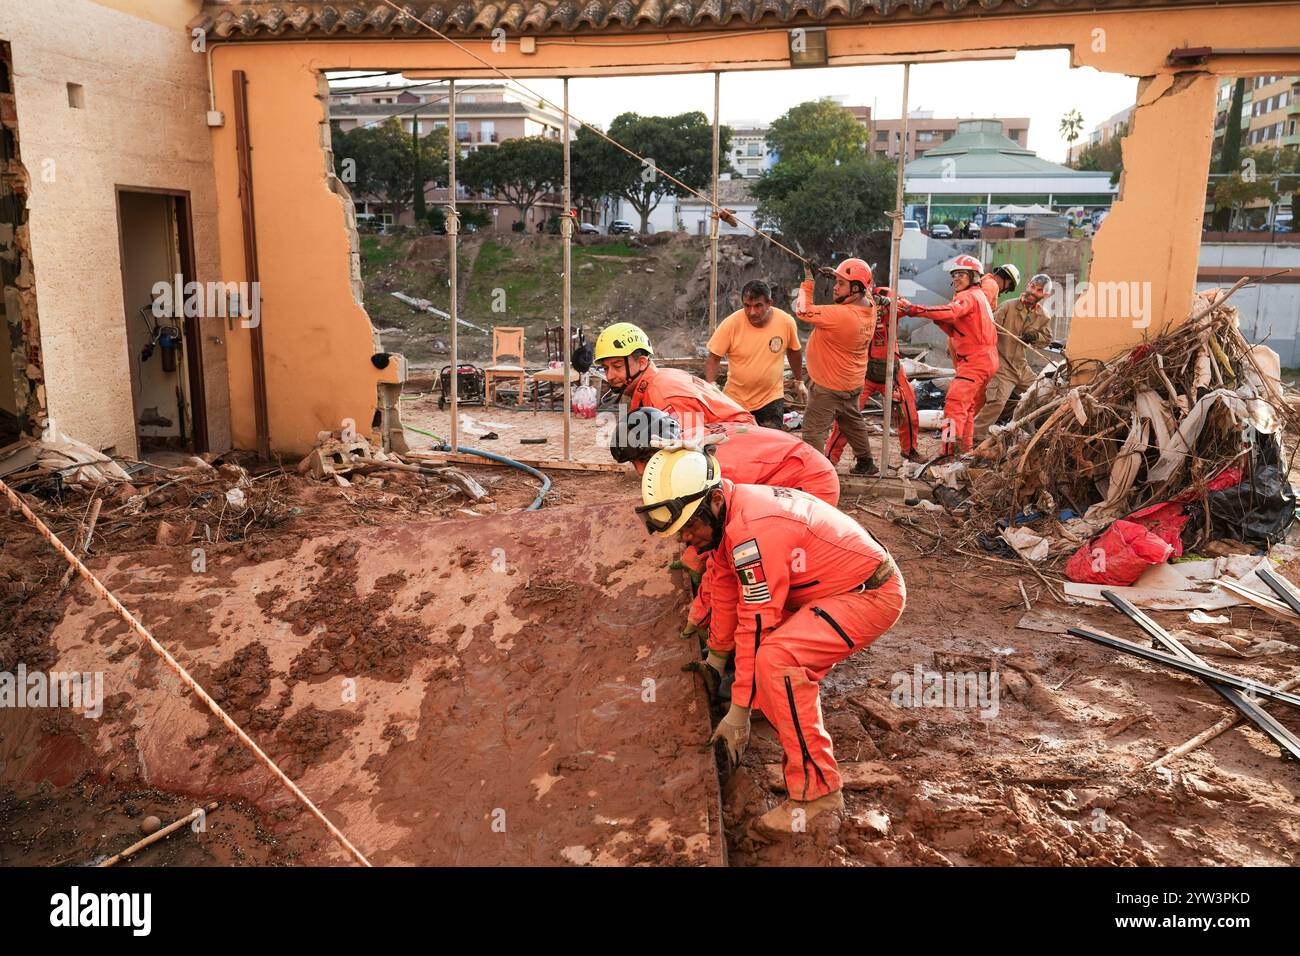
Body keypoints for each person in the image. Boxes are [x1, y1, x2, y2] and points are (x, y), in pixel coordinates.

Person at [636, 448, 905, 835]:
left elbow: (757, 625)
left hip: (869, 595)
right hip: (837, 589)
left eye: (691, 527)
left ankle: (817, 794)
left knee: (776, 662)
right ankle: (778, 712)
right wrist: (715, 657)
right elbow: (727, 592)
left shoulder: (752, 533)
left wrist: (740, 709)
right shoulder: (730, 513)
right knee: (766, 669)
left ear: (714, 500)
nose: (688, 541)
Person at [611, 406, 840, 642]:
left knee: (759, 570)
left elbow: (722, 555)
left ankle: (776, 643)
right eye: (635, 463)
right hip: (788, 467)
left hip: (808, 480)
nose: (641, 471)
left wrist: (702, 612)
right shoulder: (688, 447)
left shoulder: (710, 469)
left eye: (644, 460)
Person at [896, 254, 999, 458]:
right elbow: (958, 328)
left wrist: (914, 309)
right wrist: (935, 318)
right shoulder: (979, 297)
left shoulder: (968, 296)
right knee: (967, 409)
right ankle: (965, 452)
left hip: (974, 363)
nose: (957, 279)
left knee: (953, 409)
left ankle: (949, 455)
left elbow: (951, 313)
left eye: (961, 274)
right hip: (984, 361)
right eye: (954, 275)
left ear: (974, 276)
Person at [793, 259, 877, 475]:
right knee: (852, 423)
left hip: (827, 388)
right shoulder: (869, 306)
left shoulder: (842, 315)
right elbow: (868, 288)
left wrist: (809, 280)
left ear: (855, 289)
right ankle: (866, 463)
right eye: (836, 281)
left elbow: (803, 310)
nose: (834, 288)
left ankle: (815, 475)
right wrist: (837, 275)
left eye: (840, 284)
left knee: (813, 432)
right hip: (851, 383)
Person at [823, 291, 920, 470]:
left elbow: (907, 307)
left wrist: (890, 302)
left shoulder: (886, 301)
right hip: (863, 371)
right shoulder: (854, 306)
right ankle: (830, 458)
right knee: (846, 417)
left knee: (908, 414)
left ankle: (910, 450)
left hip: (892, 370)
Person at [594, 322, 754, 428]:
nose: (610, 376)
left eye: (617, 366)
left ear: (642, 362)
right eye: (606, 368)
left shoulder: (662, 395)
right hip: (736, 432)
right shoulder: (657, 381)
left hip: (741, 437)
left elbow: (687, 451)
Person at [704, 280, 805, 429]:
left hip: (771, 398)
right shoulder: (731, 324)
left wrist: (799, 381)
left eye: (758, 306)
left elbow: (794, 351)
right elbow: (713, 358)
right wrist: (711, 384)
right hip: (735, 399)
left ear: (769, 302)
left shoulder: (785, 322)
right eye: (747, 306)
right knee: (737, 443)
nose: (752, 312)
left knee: (770, 442)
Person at [973, 273, 1053, 441]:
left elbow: (1046, 340)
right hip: (1002, 364)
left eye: (1039, 290)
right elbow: (988, 328)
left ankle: (1024, 433)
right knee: (997, 402)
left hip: (1021, 367)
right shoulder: (1008, 306)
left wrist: (1034, 337)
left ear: (1045, 295)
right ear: (1028, 285)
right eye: (1032, 286)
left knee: (1042, 395)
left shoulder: (1043, 316)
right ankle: (974, 438)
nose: (1033, 291)